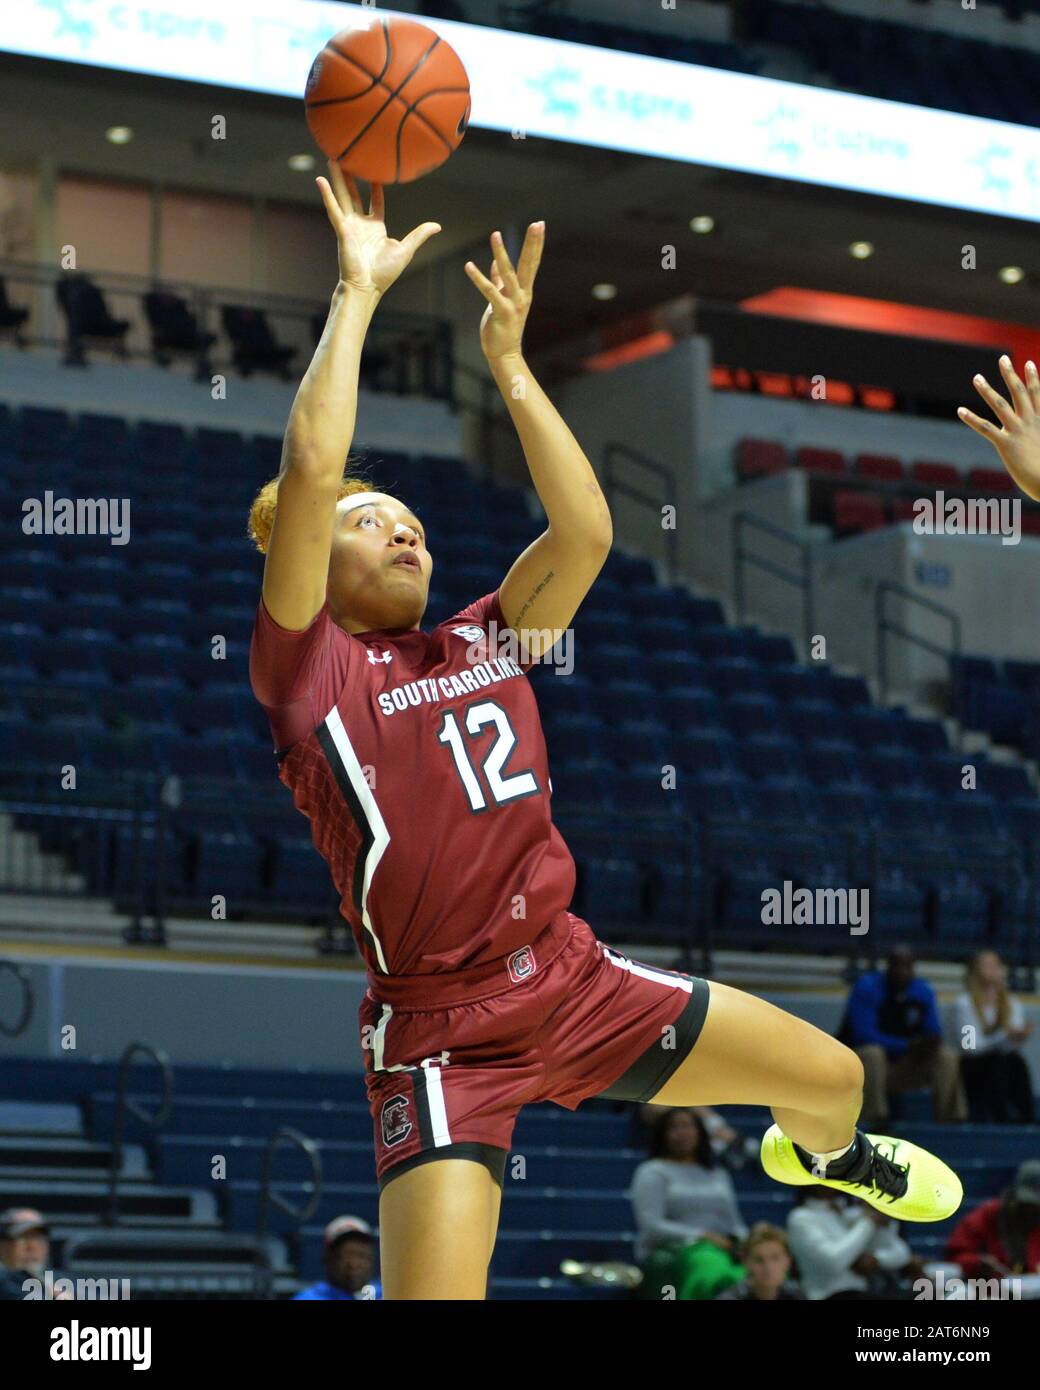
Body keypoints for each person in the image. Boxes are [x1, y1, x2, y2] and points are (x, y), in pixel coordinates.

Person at [246, 159, 962, 1299]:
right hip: (440, 1037)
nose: (404, 534)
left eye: (413, 521)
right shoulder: (309, 673)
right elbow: (310, 463)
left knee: (831, 1079)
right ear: (306, 561)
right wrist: (356, 294)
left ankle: (825, 1158)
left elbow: (583, 533)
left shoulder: (486, 637)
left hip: (571, 980)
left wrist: (514, 370)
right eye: (370, 521)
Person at [842, 946, 968, 1126]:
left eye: (907, 966)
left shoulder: (922, 990)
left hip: (907, 1066)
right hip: (868, 1068)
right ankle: (875, 1119)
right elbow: (863, 1035)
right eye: (897, 966)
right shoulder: (867, 987)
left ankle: (951, 1122)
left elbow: (934, 1032)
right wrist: (907, 1045)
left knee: (946, 1056)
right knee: (873, 1053)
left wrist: (928, 1043)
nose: (902, 972)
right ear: (888, 966)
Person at [630, 1108, 747, 1300]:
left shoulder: (717, 1174)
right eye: (675, 1127)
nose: (683, 1133)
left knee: (765, 1260)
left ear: (700, 1132)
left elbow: (735, 1222)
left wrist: (746, 1243)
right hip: (676, 1251)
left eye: (688, 1126)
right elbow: (651, 1226)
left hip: (722, 1247)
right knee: (713, 1267)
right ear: (663, 1134)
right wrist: (703, 1236)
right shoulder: (652, 1172)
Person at [786, 1188, 920, 1300]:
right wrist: (868, 1222)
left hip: (862, 1292)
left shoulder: (843, 1212)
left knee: (928, 1292)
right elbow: (834, 1262)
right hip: (829, 1296)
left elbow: (901, 1253)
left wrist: (876, 1259)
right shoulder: (800, 1218)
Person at [952, 950, 1035, 1123]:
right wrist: (1005, 1036)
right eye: (986, 966)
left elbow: (1009, 1045)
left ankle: (1026, 1116)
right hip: (974, 1065)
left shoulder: (1011, 1003)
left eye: (996, 965)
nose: (992, 970)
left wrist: (1017, 1037)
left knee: (1016, 1061)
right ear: (975, 970)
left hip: (1004, 1062)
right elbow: (970, 1047)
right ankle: (1001, 1116)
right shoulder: (965, 1004)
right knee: (996, 1063)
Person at [945, 1160, 1040, 1279]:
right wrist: (978, 1262)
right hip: (990, 1290)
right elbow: (955, 1255)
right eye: (1025, 1205)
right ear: (1013, 1196)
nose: (1030, 1211)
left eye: (1035, 1206)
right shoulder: (987, 1216)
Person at [293, 1216, 381, 1300]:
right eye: (346, 1256)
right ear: (328, 1259)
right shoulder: (309, 1298)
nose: (354, 1264)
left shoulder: (388, 1294)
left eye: (362, 1255)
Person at [0, 1208, 71, 1301]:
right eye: (23, 1238)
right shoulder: (4, 1284)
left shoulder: (60, 1279)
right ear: (3, 1244)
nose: (32, 1246)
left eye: (39, 1238)